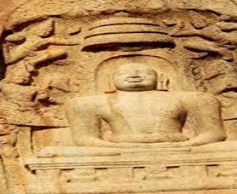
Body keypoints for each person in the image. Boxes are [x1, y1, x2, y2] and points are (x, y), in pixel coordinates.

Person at [64, 62, 227, 148]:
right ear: (110, 81)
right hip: (117, 149)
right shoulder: (87, 103)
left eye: (146, 73)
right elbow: (84, 138)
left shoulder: (193, 98)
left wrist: (184, 146)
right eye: (123, 73)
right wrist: (118, 149)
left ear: (161, 79)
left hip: (181, 146)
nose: (134, 75)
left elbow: (214, 134)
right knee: (52, 152)